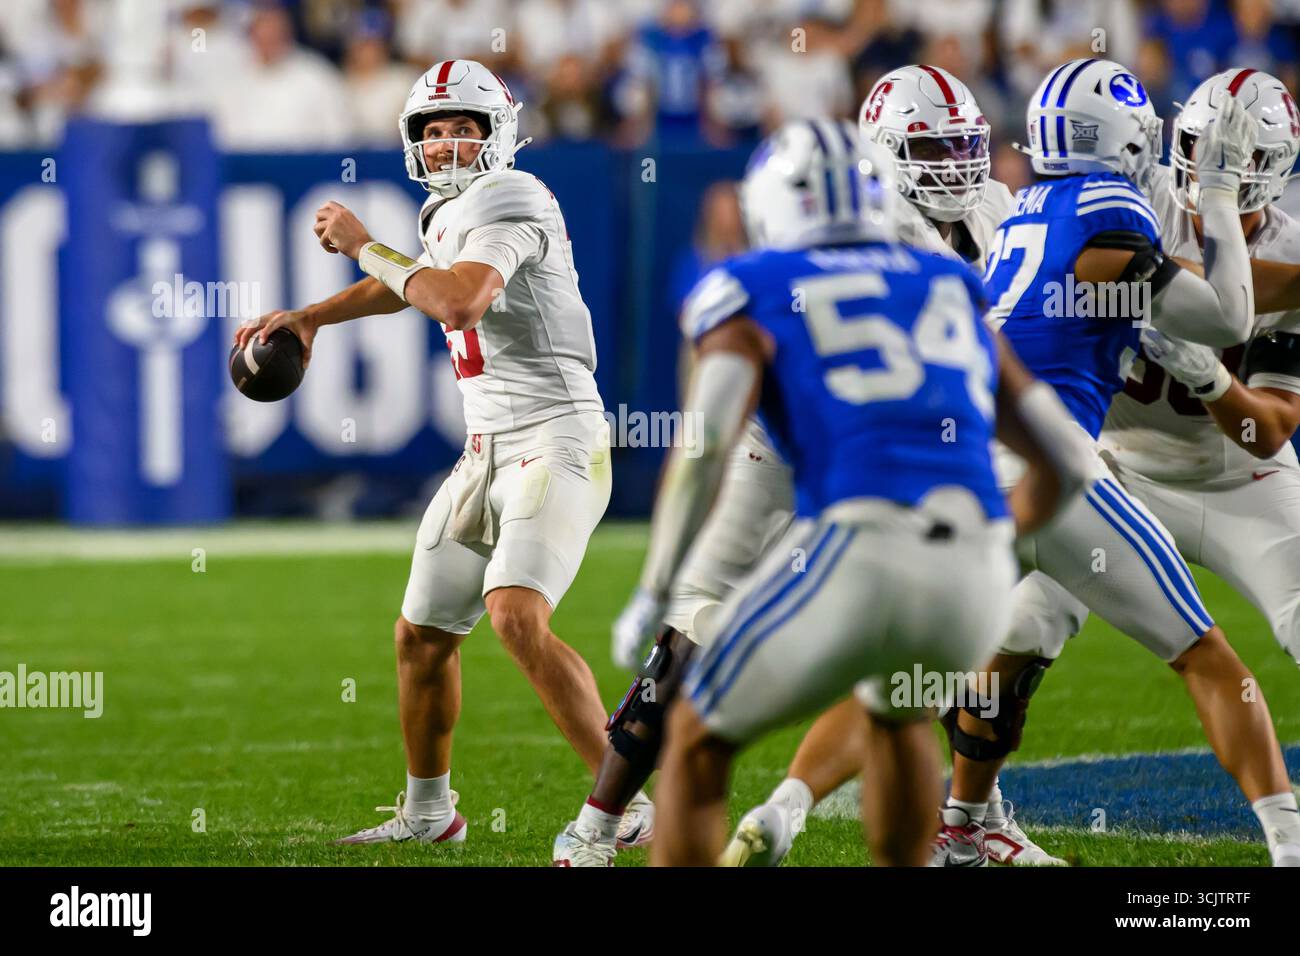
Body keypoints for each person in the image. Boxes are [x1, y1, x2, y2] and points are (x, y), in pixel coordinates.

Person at [615, 121, 1095, 866]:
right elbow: (1066, 458)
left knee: (699, 738)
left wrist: (653, 590)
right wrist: (997, 532)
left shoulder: (753, 286)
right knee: (900, 715)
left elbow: (706, 446)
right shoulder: (948, 284)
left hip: (859, 542)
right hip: (970, 571)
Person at [234, 58, 634, 847]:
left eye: (464, 129)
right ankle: (428, 817)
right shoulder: (447, 209)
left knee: (516, 614)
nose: (447, 144)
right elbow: (413, 282)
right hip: (485, 448)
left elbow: (458, 298)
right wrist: (314, 317)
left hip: (556, 437)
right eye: (435, 130)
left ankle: (625, 808)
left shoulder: (514, 195)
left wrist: (360, 245)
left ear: (499, 135)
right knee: (420, 636)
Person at [939, 57, 1300, 868]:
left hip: (1243, 479)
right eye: (1200, 144)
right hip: (1113, 464)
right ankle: (964, 822)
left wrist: (1209, 380)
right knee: (1025, 628)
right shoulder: (1136, 209)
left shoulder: (1062, 203)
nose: (1205, 161)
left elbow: (1267, 432)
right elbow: (1211, 296)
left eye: (1226, 153)